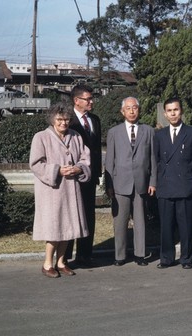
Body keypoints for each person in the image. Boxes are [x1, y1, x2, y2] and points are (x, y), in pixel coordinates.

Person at [30, 102, 91, 278]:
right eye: (59, 119)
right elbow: (36, 163)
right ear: (52, 120)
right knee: (54, 228)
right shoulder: (41, 137)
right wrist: (57, 170)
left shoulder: (76, 136)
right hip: (52, 190)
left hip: (71, 189)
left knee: (69, 227)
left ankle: (61, 262)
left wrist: (78, 168)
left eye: (66, 120)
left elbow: (85, 159)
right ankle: (47, 263)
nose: (63, 123)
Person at [105, 97, 157, 267]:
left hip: (141, 182)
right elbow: (109, 161)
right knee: (120, 221)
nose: (132, 111)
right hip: (120, 183)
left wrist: (153, 181)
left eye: (135, 107)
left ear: (139, 110)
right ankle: (120, 255)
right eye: (128, 108)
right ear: (122, 111)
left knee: (140, 220)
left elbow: (153, 159)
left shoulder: (148, 130)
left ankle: (140, 254)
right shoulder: (114, 132)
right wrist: (109, 185)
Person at [154, 98, 192, 269]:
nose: (173, 113)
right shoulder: (159, 135)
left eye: (176, 110)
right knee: (166, 226)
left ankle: (187, 258)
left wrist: (188, 177)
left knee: (186, 225)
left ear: (181, 111)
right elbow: (157, 160)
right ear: (165, 114)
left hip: (184, 185)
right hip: (166, 186)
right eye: (169, 111)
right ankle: (166, 258)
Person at [65, 84, 102, 267]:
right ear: (76, 100)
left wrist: (98, 173)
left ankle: (85, 254)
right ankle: (64, 257)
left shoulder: (95, 119)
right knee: (71, 216)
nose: (91, 101)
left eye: (92, 98)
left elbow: (96, 150)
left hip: (90, 176)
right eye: (87, 99)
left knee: (88, 216)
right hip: (72, 177)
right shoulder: (67, 120)